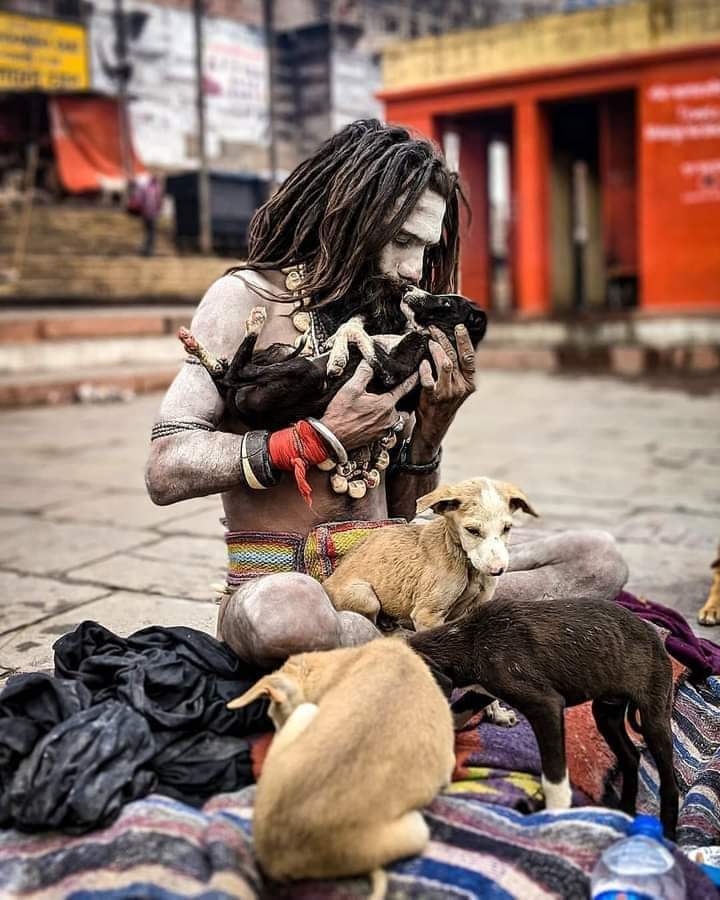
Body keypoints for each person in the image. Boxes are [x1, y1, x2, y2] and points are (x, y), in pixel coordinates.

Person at [145, 119, 628, 667]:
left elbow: (402, 509)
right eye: (401, 240)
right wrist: (315, 439)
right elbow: (165, 468)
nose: (414, 269)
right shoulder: (244, 300)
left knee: (597, 560)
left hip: (399, 570)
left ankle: (403, 643)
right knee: (289, 620)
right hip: (283, 578)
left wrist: (431, 427)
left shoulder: (393, 317)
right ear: (346, 216)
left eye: (425, 246)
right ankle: (432, 648)